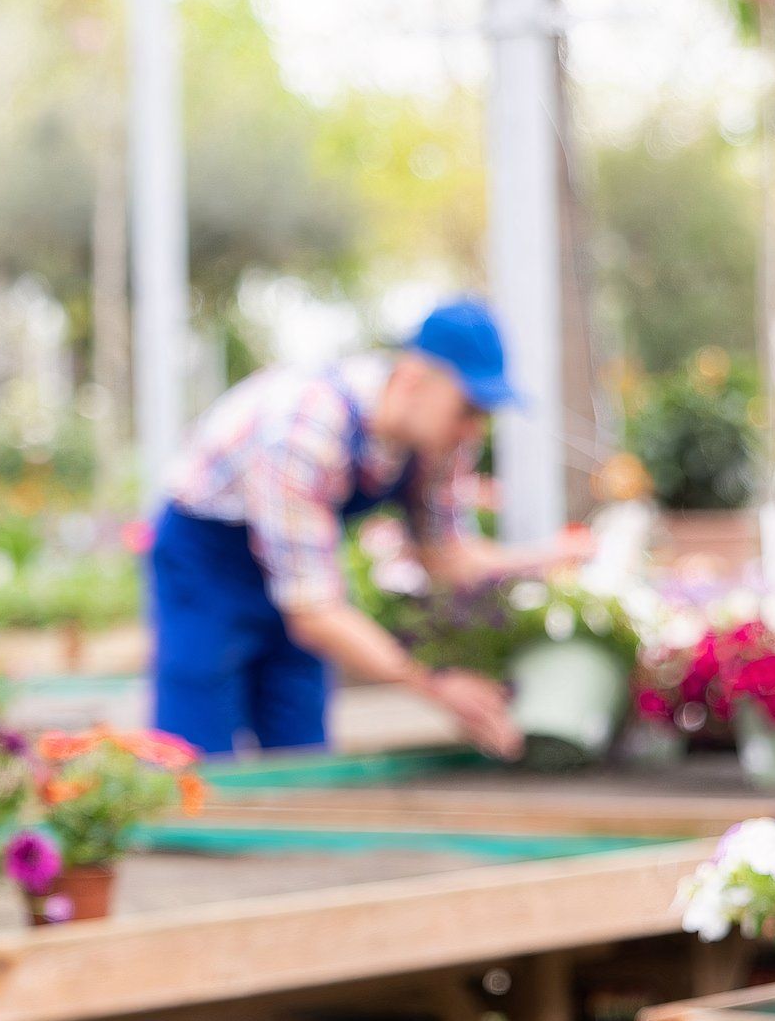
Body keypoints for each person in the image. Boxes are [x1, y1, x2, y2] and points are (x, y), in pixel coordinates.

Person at [149, 300, 554, 759]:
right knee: (195, 754)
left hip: (301, 564)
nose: (472, 429)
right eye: (467, 408)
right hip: (208, 559)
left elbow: (445, 557)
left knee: (300, 747)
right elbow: (314, 614)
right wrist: (436, 683)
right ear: (412, 380)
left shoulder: (439, 442)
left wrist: (553, 563)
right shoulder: (305, 431)